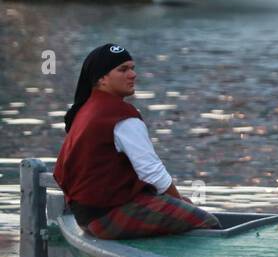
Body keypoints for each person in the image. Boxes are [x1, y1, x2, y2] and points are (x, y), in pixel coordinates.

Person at [54, 44, 219, 240]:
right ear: (101, 79)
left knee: (181, 208)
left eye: (132, 68)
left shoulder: (86, 109)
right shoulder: (121, 116)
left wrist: (178, 203)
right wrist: (181, 203)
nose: (132, 75)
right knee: (207, 223)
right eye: (122, 70)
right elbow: (152, 171)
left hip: (85, 215)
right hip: (107, 217)